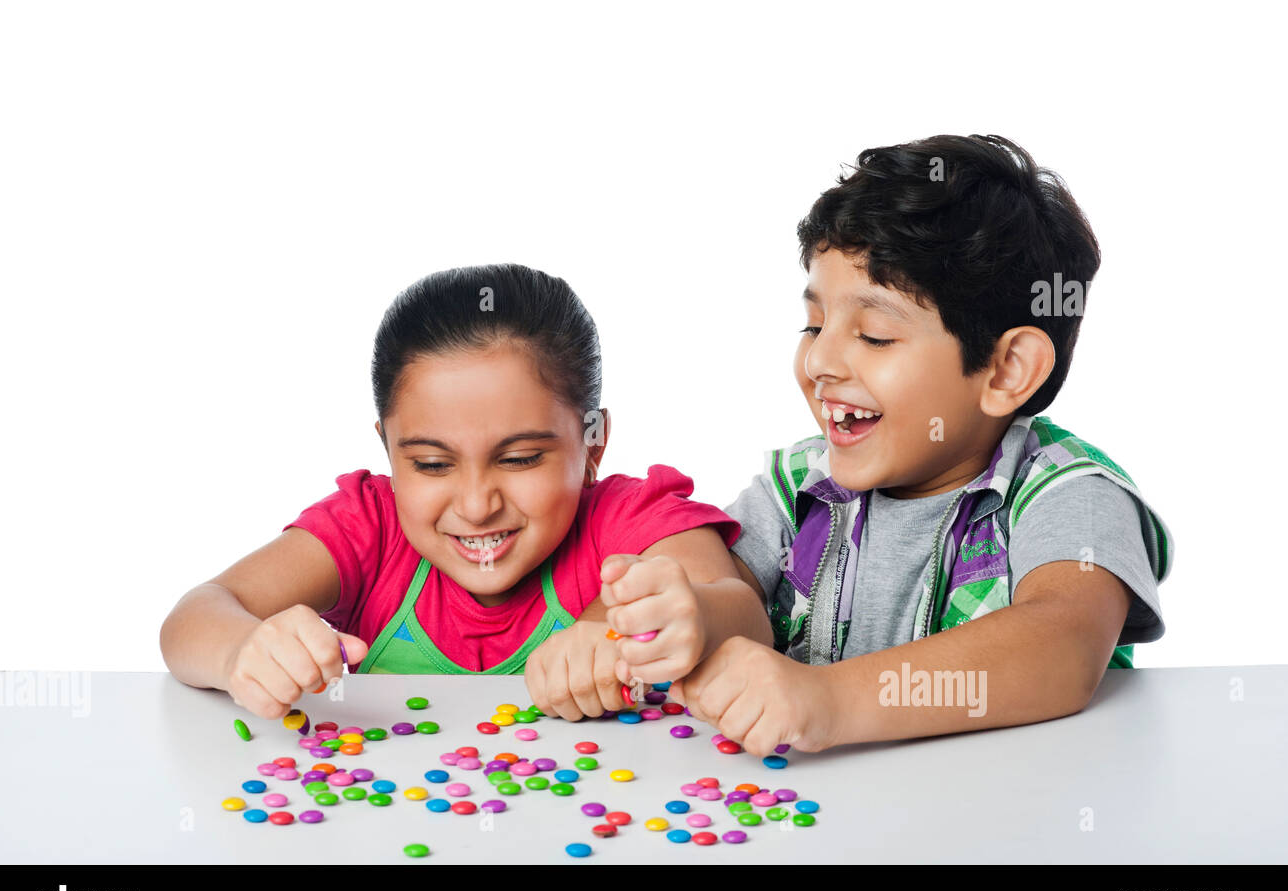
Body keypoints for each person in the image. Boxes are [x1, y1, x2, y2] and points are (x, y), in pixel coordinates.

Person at [674, 135, 1174, 755]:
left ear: (1006, 369)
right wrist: (683, 616)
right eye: (814, 324)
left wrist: (827, 699)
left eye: (876, 335)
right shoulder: (798, 483)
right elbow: (731, 592)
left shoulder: (1070, 493)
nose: (820, 359)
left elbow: (1061, 642)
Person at [160, 263, 771, 722]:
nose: (477, 504)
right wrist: (243, 649)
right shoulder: (368, 526)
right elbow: (195, 615)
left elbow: (741, 610)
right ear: (388, 449)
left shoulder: (631, 519)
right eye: (430, 463)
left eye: (521, 457)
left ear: (592, 444)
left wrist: (630, 626)